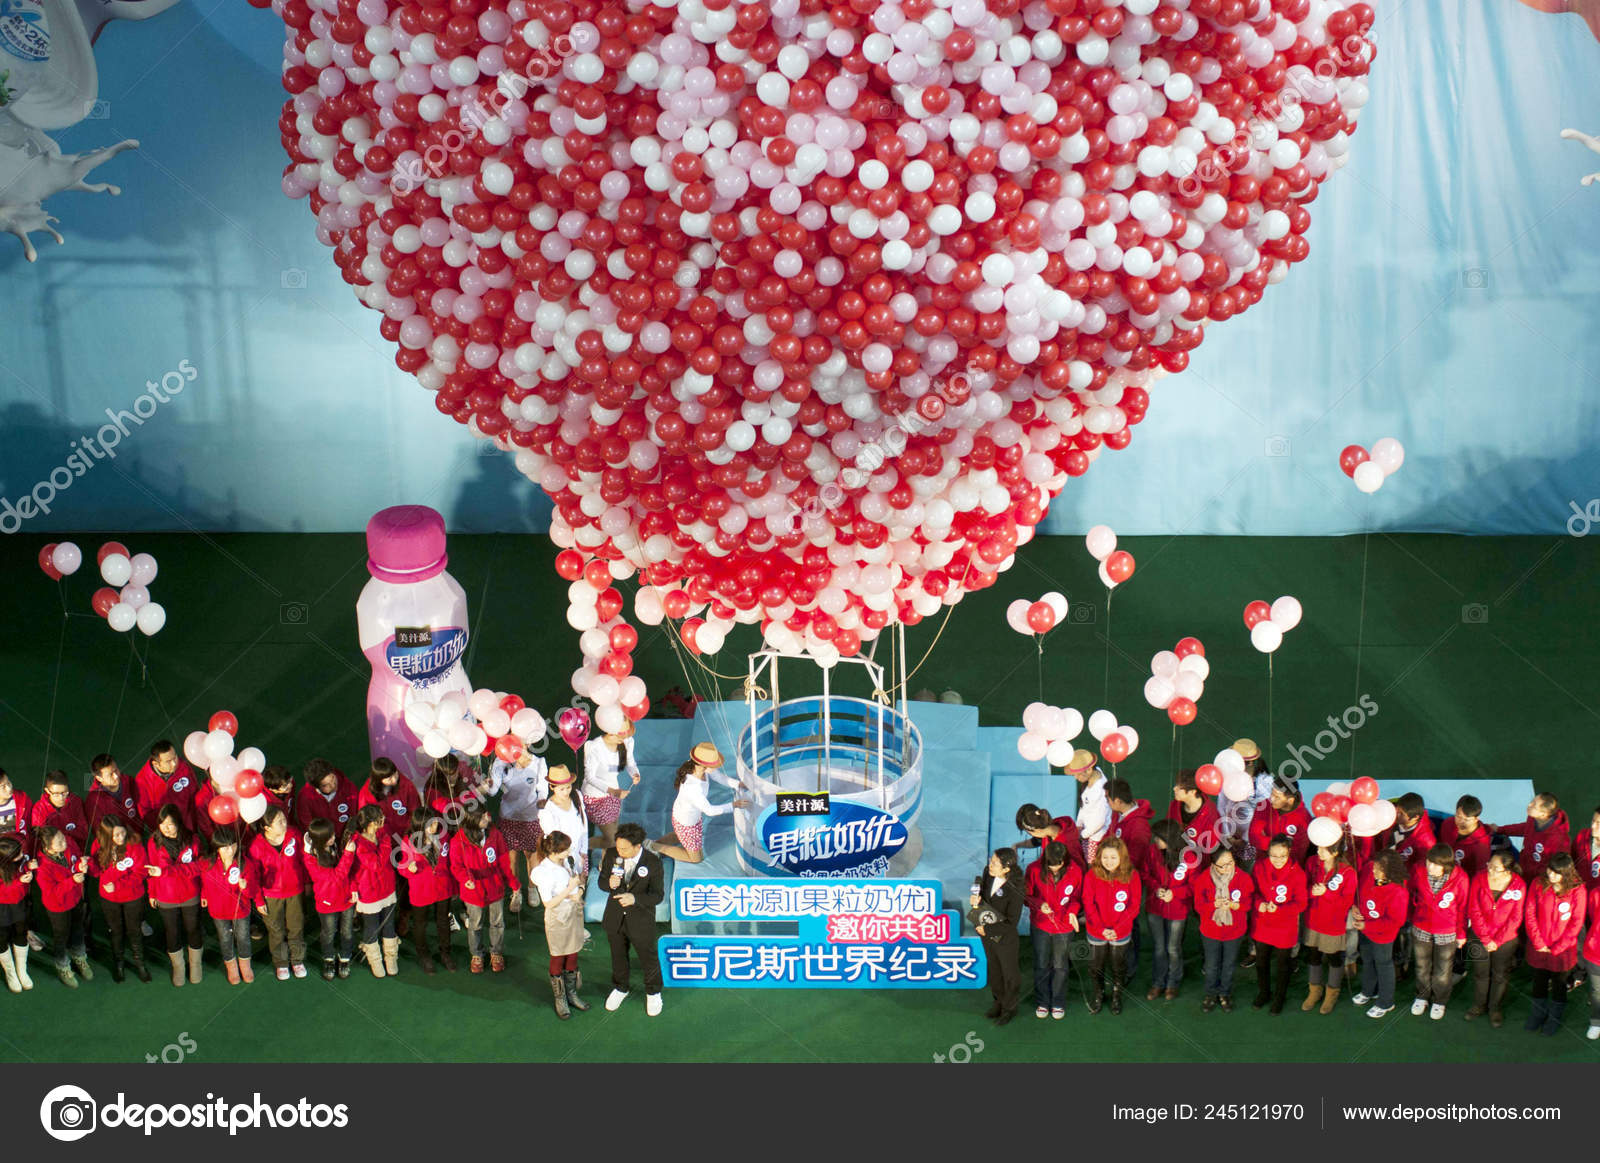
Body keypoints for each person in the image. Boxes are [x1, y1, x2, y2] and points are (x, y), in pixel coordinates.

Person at [600, 822, 665, 1015]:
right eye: (618, 846)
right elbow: (602, 882)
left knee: (648, 956)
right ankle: (621, 987)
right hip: (615, 916)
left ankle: (653, 992)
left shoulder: (653, 862)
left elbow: (657, 896)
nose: (620, 851)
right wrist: (609, 884)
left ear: (638, 846)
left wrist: (635, 899)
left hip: (641, 919)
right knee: (618, 955)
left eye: (624, 849)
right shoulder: (612, 855)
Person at [1524, 852, 1586, 1036]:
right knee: (1539, 981)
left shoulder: (1577, 890)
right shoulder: (1538, 883)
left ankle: (1554, 1017)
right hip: (1540, 947)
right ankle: (1538, 1013)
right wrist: (1538, 941)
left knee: (1559, 984)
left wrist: (1557, 948)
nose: (1550, 875)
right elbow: (1530, 913)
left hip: (1563, 950)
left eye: (1556, 873)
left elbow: (1576, 923)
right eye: (1550, 870)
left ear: (1566, 874)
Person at [530, 829, 590, 1019]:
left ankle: (572, 993)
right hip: (558, 918)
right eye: (565, 849)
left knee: (573, 953)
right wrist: (570, 889)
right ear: (553, 852)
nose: (569, 851)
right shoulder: (543, 872)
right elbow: (548, 902)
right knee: (558, 956)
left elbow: (577, 881)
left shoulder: (568, 862)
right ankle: (560, 998)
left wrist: (578, 890)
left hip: (573, 913)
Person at [655, 744, 748, 863]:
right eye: (714, 765)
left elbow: (719, 777)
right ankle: (655, 847)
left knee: (679, 835)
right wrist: (734, 805)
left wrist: (738, 784)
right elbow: (710, 811)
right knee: (696, 858)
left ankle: (655, 844)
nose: (716, 767)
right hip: (686, 822)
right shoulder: (693, 788)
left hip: (689, 817)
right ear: (704, 765)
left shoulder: (697, 766)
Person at [144, 805, 204, 987]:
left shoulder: (192, 839)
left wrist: (168, 872)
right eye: (162, 825)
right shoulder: (153, 842)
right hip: (166, 895)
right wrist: (152, 892)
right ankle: (178, 966)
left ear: (178, 822)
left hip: (190, 893)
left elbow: (200, 866)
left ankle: (195, 964)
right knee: (172, 931)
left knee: (193, 929)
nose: (166, 828)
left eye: (170, 824)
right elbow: (151, 871)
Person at [1407, 843, 1468, 1019]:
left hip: (1447, 931)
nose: (1430, 866)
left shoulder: (1461, 878)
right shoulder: (1418, 870)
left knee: (1443, 969)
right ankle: (1421, 996)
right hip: (1421, 927)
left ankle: (1439, 1001)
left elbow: (1463, 908)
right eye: (1429, 861)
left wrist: (1461, 933)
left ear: (1447, 866)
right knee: (1421, 966)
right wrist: (1412, 917)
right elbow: (1411, 892)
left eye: (1436, 864)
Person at [1465, 850, 1525, 1027]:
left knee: (1500, 975)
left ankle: (1495, 1008)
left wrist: (1497, 941)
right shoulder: (1479, 878)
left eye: (1495, 868)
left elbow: (1516, 917)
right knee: (1480, 973)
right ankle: (1479, 1005)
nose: (1490, 869)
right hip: (1480, 937)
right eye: (1489, 865)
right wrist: (1485, 938)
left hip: (1505, 940)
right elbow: (1473, 910)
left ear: (1507, 870)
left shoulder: (1518, 885)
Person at [249, 805, 309, 980]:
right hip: (271, 895)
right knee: (276, 930)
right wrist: (259, 900)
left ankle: (297, 960)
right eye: (280, 821)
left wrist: (306, 883)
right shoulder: (256, 846)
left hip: (295, 891)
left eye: (284, 818)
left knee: (296, 928)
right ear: (267, 828)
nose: (285, 823)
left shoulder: (294, 835)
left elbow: (304, 860)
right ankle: (281, 963)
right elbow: (254, 877)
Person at [1082, 837, 1141, 1015]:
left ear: (1121, 857)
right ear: (1099, 857)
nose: (1109, 862)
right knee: (1096, 965)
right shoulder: (1092, 874)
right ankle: (1099, 994)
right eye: (1105, 857)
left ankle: (1117, 994)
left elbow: (1134, 905)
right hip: (1096, 930)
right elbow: (1088, 902)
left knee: (1118, 965)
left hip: (1120, 931)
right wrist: (1101, 929)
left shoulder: (1132, 875)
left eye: (1113, 858)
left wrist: (1117, 928)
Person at [450, 804, 511, 974]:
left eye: (487, 815)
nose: (488, 818)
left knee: (497, 922)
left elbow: (503, 857)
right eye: (483, 817)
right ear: (473, 821)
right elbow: (456, 866)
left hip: (494, 885)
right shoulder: (458, 841)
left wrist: (507, 879)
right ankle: (476, 954)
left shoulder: (495, 834)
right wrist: (465, 879)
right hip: (473, 889)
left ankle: (496, 952)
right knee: (475, 923)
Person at [1250, 834, 1307, 1014]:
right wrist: (1260, 904)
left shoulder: (1298, 873)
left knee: (1283, 965)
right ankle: (1264, 992)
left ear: (1289, 852)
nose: (1278, 860)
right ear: (1268, 853)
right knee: (1261, 961)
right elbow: (1253, 892)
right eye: (1273, 855)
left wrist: (1280, 910)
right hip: (1263, 923)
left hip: (1285, 927)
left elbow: (1301, 903)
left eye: (1282, 856)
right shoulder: (1259, 867)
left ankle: (1279, 997)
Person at [1024, 840, 1081, 1019]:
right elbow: (1026, 896)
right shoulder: (1033, 870)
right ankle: (1042, 1001)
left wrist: (1072, 912)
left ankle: (1058, 1002)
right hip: (1041, 925)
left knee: (1060, 966)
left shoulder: (1076, 871)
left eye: (1059, 865)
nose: (1054, 869)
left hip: (1064, 927)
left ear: (1065, 861)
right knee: (1041, 964)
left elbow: (1077, 897)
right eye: (1050, 865)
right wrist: (1039, 905)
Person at [89, 818, 151, 983]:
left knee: (134, 930)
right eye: (115, 835)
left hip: (133, 896)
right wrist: (88, 864)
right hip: (109, 898)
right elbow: (96, 872)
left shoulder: (135, 845)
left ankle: (140, 963)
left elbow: (140, 873)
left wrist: (118, 885)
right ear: (106, 835)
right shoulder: (98, 845)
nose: (121, 837)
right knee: (116, 931)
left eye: (122, 832)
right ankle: (119, 963)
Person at [1351, 850, 1410, 1019]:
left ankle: (1386, 1002)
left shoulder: (1399, 891)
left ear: (1391, 871)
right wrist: (1356, 906)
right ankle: (1368, 991)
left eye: (1379, 869)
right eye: (1375, 867)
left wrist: (1366, 925)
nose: (1374, 871)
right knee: (1368, 961)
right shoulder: (1370, 872)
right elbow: (1359, 892)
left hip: (1382, 935)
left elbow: (1395, 922)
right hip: (1365, 930)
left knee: (1383, 965)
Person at [487, 747, 547, 910]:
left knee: (532, 855)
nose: (520, 743)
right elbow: (493, 792)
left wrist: (542, 800)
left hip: (531, 816)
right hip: (508, 816)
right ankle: (516, 891)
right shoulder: (500, 762)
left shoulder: (538, 762)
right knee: (512, 858)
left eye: (523, 740)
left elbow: (542, 788)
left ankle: (532, 888)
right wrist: (490, 785)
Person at [1302, 835, 1357, 1013]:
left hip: (1333, 924)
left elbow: (1347, 901)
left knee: (1334, 959)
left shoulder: (1348, 872)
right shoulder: (1312, 863)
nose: (1318, 852)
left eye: (1322, 849)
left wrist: (1326, 893)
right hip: (1313, 920)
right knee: (1313, 956)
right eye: (1317, 847)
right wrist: (1313, 892)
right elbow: (1302, 890)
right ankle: (1314, 991)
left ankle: (1331, 993)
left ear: (1334, 851)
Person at [1194, 847, 1252, 1012]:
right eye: (1222, 865)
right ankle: (1211, 994)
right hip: (1211, 930)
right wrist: (1213, 905)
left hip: (1234, 930)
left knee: (1229, 965)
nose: (1227, 868)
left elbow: (1248, 904)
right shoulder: (1204, 879)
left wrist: (1235, 905)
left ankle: (1225, 993)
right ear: (1213, 865)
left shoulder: (1243, 878)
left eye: (1230, 863)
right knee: (1211, 965)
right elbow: (1198, 906)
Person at [398, 808, 456, 974]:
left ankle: (445, 953)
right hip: (421, 890)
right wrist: (409, 869)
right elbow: (402, 868)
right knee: (420, 924)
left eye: (436, 822)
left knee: (443, 921)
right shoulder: (409, 841)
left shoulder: (444, 837)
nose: (434, 826)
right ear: (420, 826)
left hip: (442, 887)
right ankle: (424, 955)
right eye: (430, 825)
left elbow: (449, 860)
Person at [970, 847, 1024, 1023]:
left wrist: (988, 930)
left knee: (1009, 974)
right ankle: (998, 1002)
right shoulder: (988, 872)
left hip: (1005, 938)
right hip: (986, 935)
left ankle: (1009, 1008)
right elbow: (980, 883)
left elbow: (1012, 922)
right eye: (991, 860)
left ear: (1006, 869)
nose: (990, 865)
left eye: (994, 863)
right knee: (994, 970)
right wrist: (976, 897)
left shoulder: (1016, 889)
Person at [33, 827, 92, 987]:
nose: (65, 842)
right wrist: (73, 881)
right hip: (58, 906)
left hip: (75, 899)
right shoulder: (42, 866)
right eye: (59, 842)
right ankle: (63, 966)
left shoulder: (69, 844)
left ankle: (80, 957)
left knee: (78, 929)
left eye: (63, 838)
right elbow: (52, 893)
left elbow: (77, 859)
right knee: (61, 936)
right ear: (48, 848)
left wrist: (82, 863)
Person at [1143, 819, 1194, 1002]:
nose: (1155, 840)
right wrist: (1157, 887)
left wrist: (1175, 893)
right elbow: (1145, 874)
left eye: (1159, 837)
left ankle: (1173, 982)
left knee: (1173, 948)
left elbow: (1194, 885)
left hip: (1177, 910)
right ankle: (1158, 982)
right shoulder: (1151, 851)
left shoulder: (1189, 856)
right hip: (1155, 907)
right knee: (1159, 948)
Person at [302, 817, 358, 980]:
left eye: (333, 834)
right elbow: (337, 877)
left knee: (347, 932)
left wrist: (353, 887)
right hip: (327, 903)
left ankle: (345, 958)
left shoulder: (338, 846)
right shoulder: (311, 859)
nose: (334, 837)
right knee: (328, 933)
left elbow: (351, 872)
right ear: (319, 841)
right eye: (330, 837)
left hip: (346, 899)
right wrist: (348, 854)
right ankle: (328, 959)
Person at [200, 826, 257, 984]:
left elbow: (253, 892)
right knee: (225, 939)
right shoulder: (207, 864)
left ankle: (245, 966)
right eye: (224, 846)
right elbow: (204, 882)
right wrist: (204, 895)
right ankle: (231, 966)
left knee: (243, 938)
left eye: (232, 844)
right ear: (216, 848)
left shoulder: (245, 864)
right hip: (218, 911)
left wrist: (245, 888)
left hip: (241, 910)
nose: (230, 849)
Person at [351, 805, 401, 979]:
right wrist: (386, 842)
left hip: (387, 888)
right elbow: (377, 865)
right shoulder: (358, 843)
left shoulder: (381, 833)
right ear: (372, 822)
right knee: (371, 928)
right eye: (380, 818)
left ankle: (391, 957)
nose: (384, 820)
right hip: (369, 892)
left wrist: (384, 840)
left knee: (389, 924)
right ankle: (375, 960)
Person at [582, 723, 640, 849]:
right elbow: (590, 777)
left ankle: (605, 864)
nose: (625, 739)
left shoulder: (627, 741)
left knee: (614, 836)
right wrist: (613, 792)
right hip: (596, 797)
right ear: (611, 732)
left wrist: (635, 773)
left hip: (614, 794)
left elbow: (630, 761)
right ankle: (578, 847)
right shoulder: (595, 747)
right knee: (612, 841)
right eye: (622, 736)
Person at [1496, 793, 1572, 885]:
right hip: (1522, 867)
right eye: (1532, 801)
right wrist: (1501, 829)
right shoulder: (1533, 818)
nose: (1529, 805)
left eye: (1534, 805)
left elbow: (1558, 867)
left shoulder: (1558, 839)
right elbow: (1525, 828)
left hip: (1537, 881)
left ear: (1543, 814)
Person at [134, 741, 199, 832]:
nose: (174, 763)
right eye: (168, 761)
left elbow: (194, 795)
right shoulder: (142, 780)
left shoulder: (184, 767)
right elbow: (145, 812)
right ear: (156, 764)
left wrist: (191, 827)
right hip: (164, 832)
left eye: (175, 757)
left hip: (187, 827)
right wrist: (164, 831)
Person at [1247, 778, 1313, 865]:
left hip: (1289, 869)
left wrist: (1267, 842)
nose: (1271, 799)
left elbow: (1298, 853)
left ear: (1290, 800)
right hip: (1262, 865)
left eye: (1277, 797)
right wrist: (1282, 847)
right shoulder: (1263, 806)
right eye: (1272, 794)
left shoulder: (1304, 818)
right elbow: (1253, 836)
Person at [538, 766, 589, 875]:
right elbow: (554, 842)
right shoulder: (548, 810)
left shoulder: (577, 796)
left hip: (580, 853)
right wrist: (563, 861)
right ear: (552, 787)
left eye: (568, 787)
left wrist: (584, 851)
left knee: (581, 885)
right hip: (562, 857)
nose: (566, 792)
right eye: (561, 789)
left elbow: (584, 825)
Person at [1168, 770, 1221, 869]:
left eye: (1180, 787)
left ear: (1193, 792)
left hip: (1198, 867)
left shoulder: (1211, 815)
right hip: (1176, 862)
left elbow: (1210, 851)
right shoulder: (1174, 806)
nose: (1174, 788)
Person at [0, 836, 33, 992]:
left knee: (21, 932)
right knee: (2, 938)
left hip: (19, 903)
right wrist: (19, 882)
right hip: (2, 908)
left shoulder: (19, 861)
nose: (22, 856)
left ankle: (22, 970)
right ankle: (11, 972)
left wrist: (30, 869)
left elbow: (24, 868)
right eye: (18, 855)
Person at [294, 758, 359, 835]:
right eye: (326, 785)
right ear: (316, 787)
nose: (333, 785)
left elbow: (356, 814)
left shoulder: (349, 787)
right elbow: (307, 825)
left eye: (333, 778)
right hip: (323, 839)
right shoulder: (305, 797)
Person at [1066, 749, 1109, 865]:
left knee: (1093, 867)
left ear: (1089, 770)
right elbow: (1084, 808)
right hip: (1087, 833)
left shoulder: (1100, 789)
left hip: (1096, 837)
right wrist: (1078, 825)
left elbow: (1100, 820)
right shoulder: (1092, 778)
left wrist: (1082, 835)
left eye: (1078, 774)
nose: (1076, 777)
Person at [86, 754, 144, 840]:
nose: (116, 776)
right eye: (110, 774)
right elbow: (99, 830)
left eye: (116, 770)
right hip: (116, 843)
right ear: (99, 778)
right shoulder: (93, 800)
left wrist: (137, 832)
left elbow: (140, 806)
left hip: (137, 837)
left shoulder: (128, 781)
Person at [30, 771, 88, 851]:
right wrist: (68, 834)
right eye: (56, 794)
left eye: (64, 793)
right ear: (47, 791)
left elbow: (84, 832)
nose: (61, 798)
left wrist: (60, 836)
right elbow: (41, 840)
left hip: (76, 851)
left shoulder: (76, 801)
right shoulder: (39, 809)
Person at [1440, 795, 1492, 880]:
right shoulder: (1447, 824)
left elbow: (1478, 878)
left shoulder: (1482, 847)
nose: (1461, 822)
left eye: (1466, 819)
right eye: (1458, 816)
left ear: (1476, 819)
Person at [1016, 804, 1083, 866]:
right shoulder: (1053, 827)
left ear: (1038, 830)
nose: (1033, 836)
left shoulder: (1064, 847)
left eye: (1030, 833)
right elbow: (1036, 841)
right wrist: (1016, 845)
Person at [1383, 794, 1438, 869]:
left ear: (1415, 817)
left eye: (1401, 814)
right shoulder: (1390, 816)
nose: (1396, 815)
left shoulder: (1426, 841)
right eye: (1397, 810)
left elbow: (1420, 869)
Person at [1583, 878, 1600, 1040]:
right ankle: (1596, 1022)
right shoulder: (1595, 894)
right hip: (1596, 953)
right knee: (1597, 992)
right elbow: (1593, 917)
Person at [0, 768, 32, 846]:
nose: (9, 788)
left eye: (9, 782)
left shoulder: (23, 799)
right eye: (3, 786)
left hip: (22, 849)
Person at [1574, 805, 1600, 891]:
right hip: (1578, 894)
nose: (1593, 826)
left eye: (1598, 823)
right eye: (1593, 821)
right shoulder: (1582, 835)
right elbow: (1571, 860)